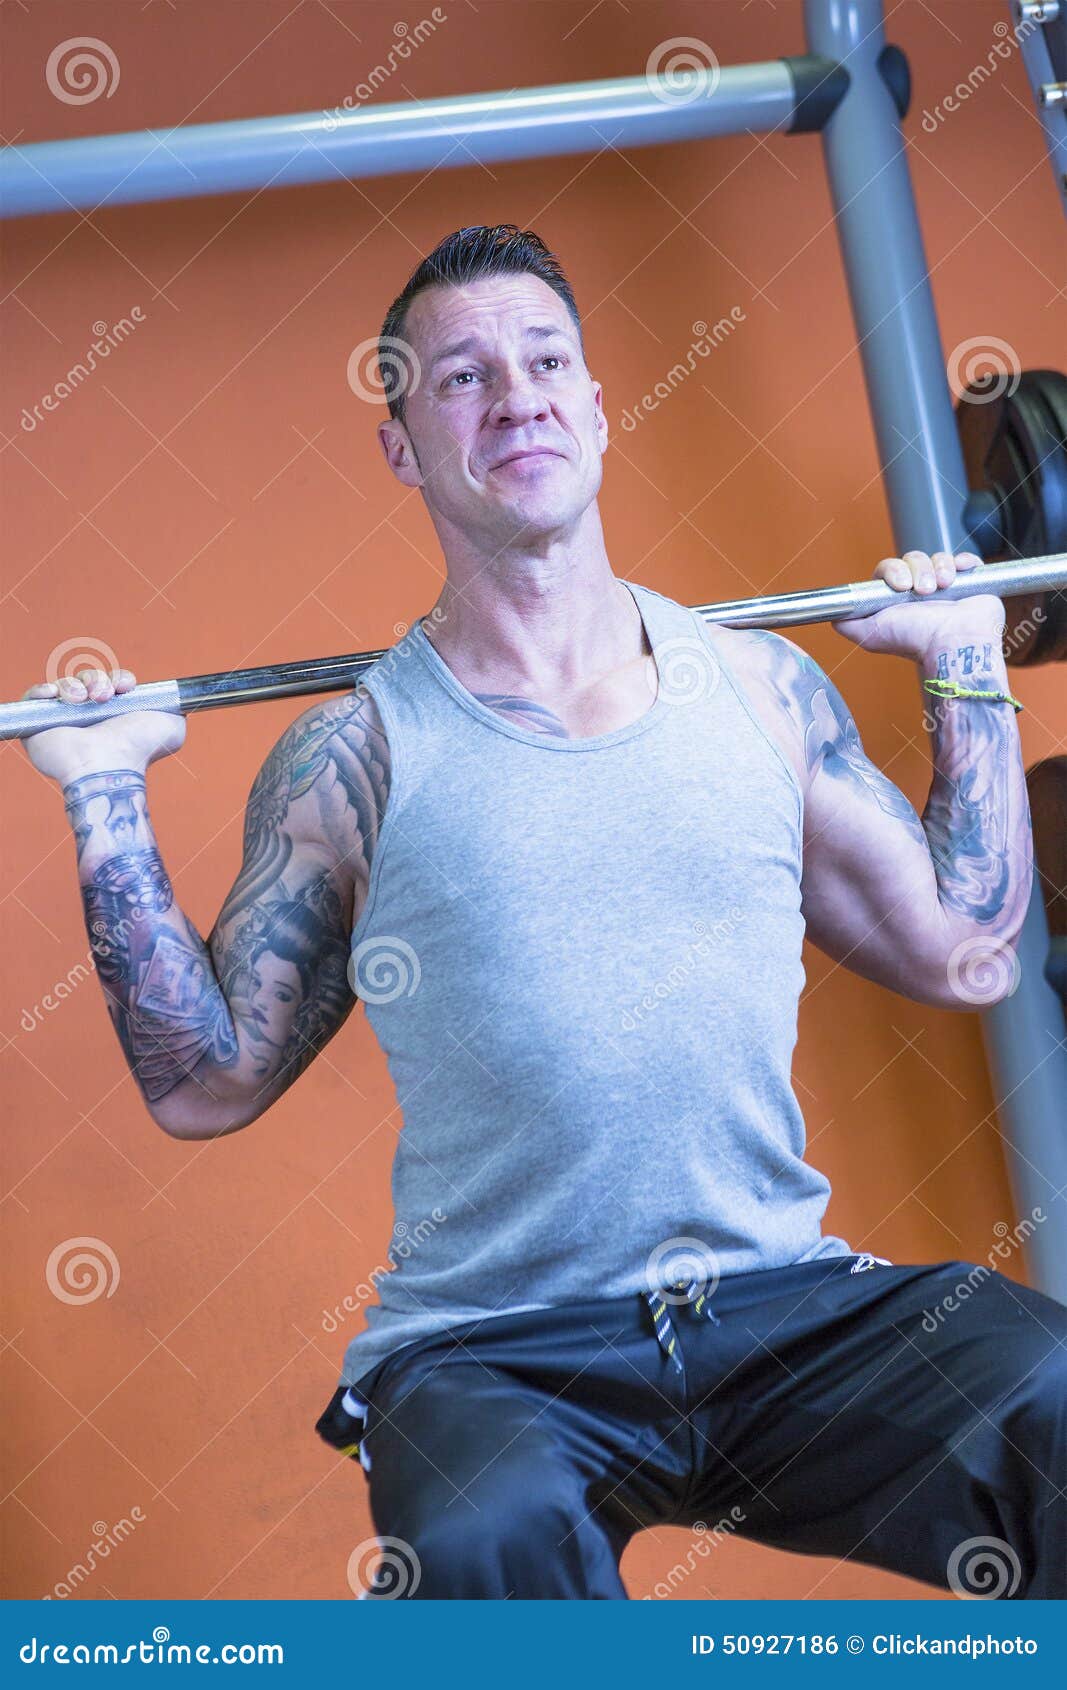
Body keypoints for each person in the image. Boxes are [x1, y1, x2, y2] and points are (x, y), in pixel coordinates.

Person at [21, 224, 1064, 1601]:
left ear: (591, 409)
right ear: (402, 445)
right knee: (481, 1533)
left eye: (545, 361)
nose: (513, 394)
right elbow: (205, 1084)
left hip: (779, 1307)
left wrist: (971, 665)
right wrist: (103, 798)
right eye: (459, 377)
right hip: (496, 1348)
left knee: (1052, 1397)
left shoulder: (758, 694)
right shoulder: (357, 757)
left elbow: (973, 949)